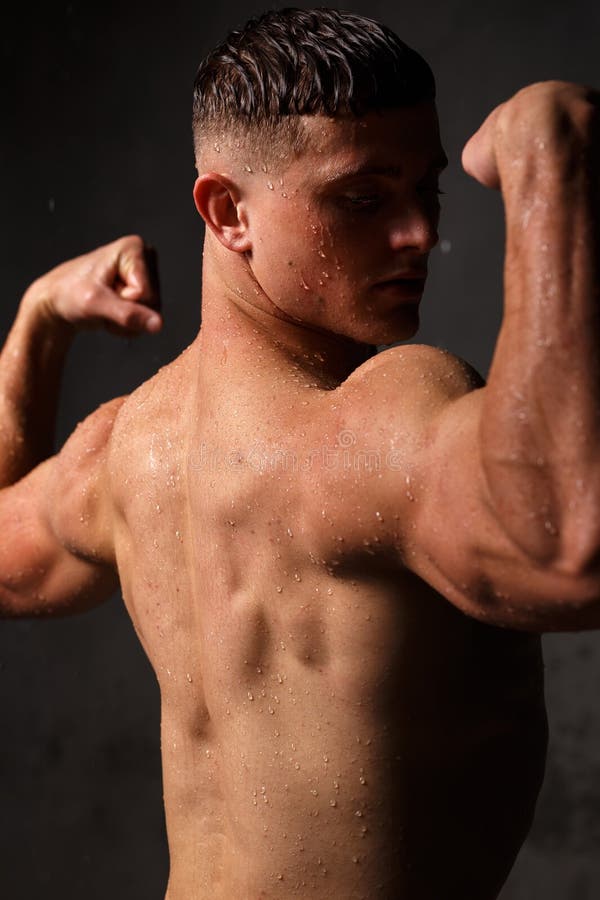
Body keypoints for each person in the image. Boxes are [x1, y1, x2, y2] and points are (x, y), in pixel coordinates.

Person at [1, 6, 599, 898]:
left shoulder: (125, 448)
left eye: (426, 190)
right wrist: (556, 167)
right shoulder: (377, 422)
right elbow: (566, 549)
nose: (420, 236)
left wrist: (38, 322)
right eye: (363, 199)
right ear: (228, 211)